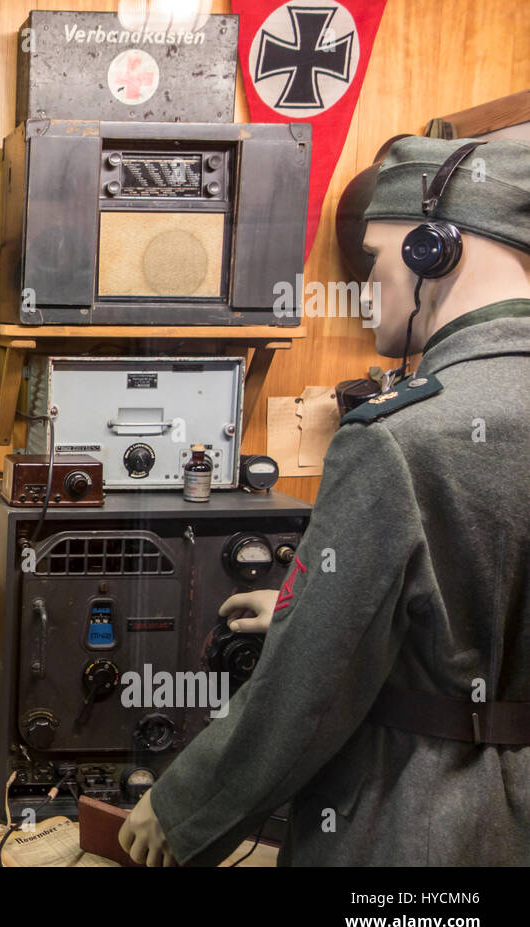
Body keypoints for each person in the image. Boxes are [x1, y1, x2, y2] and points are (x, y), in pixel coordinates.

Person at [118, 136, 530, 866]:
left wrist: (180, 810)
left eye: (374, 260)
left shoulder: (400, 437)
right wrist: (302, 607)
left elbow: (308, 690)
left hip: (418, 827)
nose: (366, 288)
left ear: (435, 251)